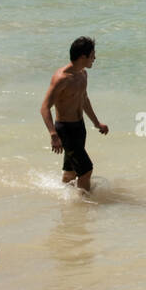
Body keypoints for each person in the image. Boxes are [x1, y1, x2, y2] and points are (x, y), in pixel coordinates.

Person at [40, 36, 109, 191]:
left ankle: (65, 203)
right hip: (65, 130)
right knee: (86, 170)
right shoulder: (61, 78)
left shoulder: (83, 74)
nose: (95, 58)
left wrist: (97, 123)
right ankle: (84, 206)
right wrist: (53, 134)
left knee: (71, 173)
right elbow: (45, 107)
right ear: (83, 57)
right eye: (92, 55)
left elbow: (84, 99)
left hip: (79, 128)